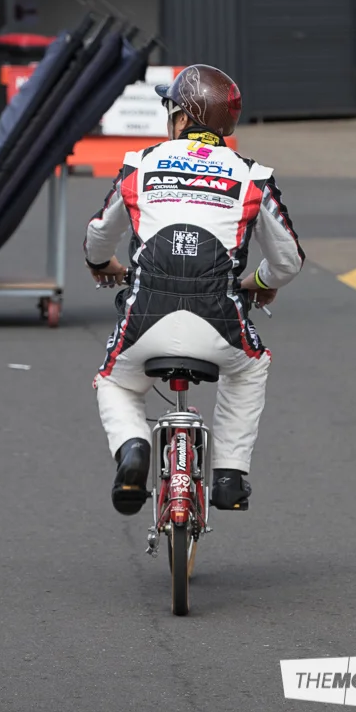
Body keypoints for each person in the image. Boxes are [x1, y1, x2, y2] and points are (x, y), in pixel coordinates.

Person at [84, 64, 304, 515]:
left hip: (145, 320)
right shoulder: (252, 176)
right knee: (250, 368)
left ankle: (132, 449)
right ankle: (228, 475)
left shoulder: (138, 165)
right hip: (220, 323)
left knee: (114, 382)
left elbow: (97, 237)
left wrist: (102, 264)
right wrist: (257, 284)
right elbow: (288, 261)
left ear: (183, 119)